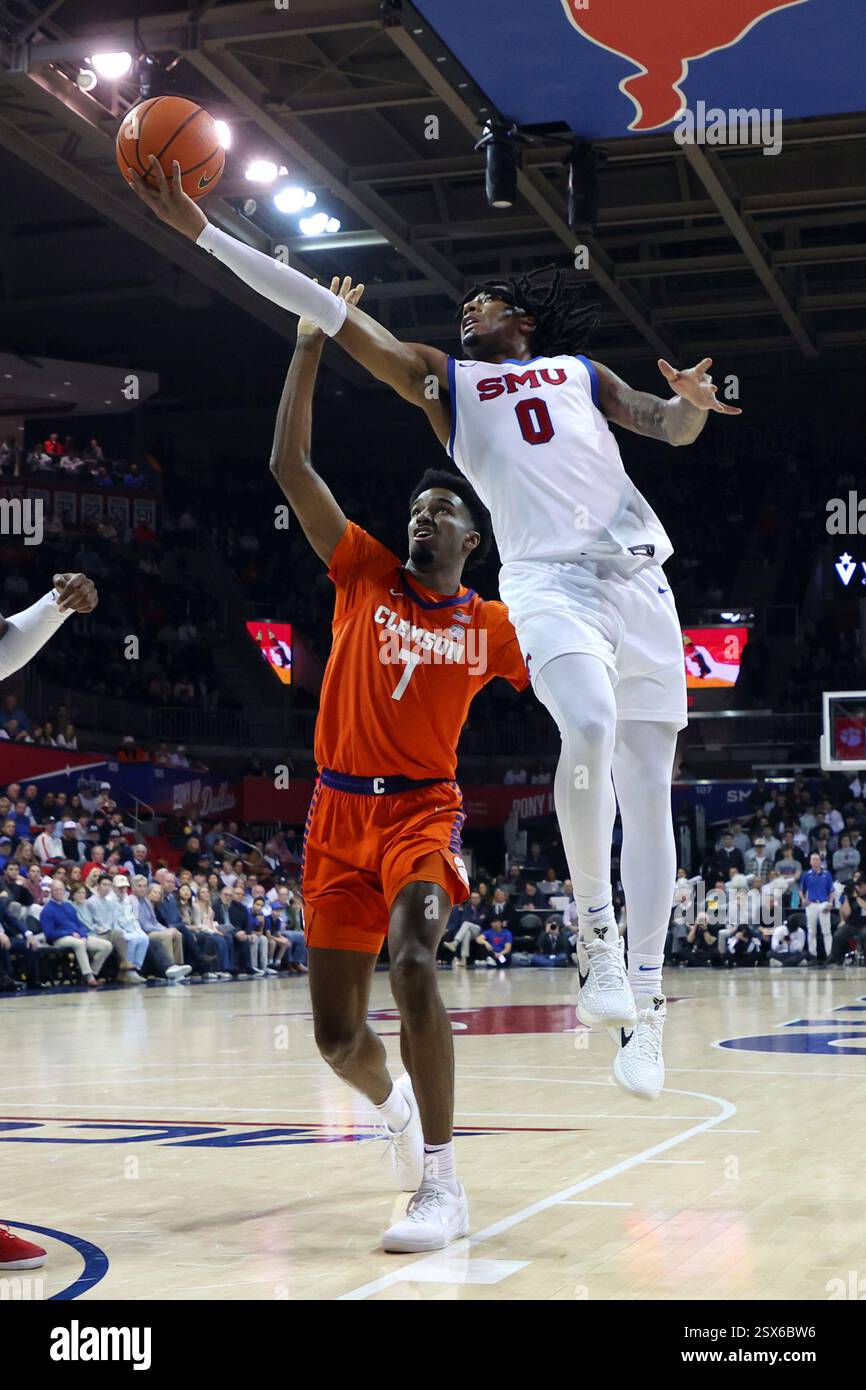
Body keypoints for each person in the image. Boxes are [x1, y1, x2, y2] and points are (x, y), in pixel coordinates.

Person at [130, 160, 739, 1110]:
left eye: (488, 302)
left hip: (640, 580)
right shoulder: (442, 383)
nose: (470, 311)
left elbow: (664, 424)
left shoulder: (579, 372)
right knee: (586, 728)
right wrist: (204, 234)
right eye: (464, 304)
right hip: (547, 581)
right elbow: (336, 321)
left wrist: (693, 408)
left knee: (649, 793)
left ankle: (649, 1008)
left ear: (524, 324)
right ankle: (595, 942)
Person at [202, 272, 526, 1253]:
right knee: (338, 1035)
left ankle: (441, 1181)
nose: (422, 516)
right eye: (417, 505)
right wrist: (308, 342)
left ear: (472, 539)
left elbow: (571, 661)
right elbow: (288, 465)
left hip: (421, 817)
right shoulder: (363, 572)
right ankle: (391, 1115)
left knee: (417, 966)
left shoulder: (495, 626)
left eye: (441, 511)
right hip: (334, 819)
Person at [800, 852, 835, 963]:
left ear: (820, 861)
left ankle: (829, 954)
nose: (815, 861)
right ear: (810, 862)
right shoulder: (806, 875)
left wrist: (830, 903)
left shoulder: (827, 874)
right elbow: (801, 890)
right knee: (811, 931)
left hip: (824, 903)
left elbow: (831, 890)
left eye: (817, 859)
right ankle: (813, 955)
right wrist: (804, 899)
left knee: (826, 930)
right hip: (812, 904)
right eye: (813, 859)